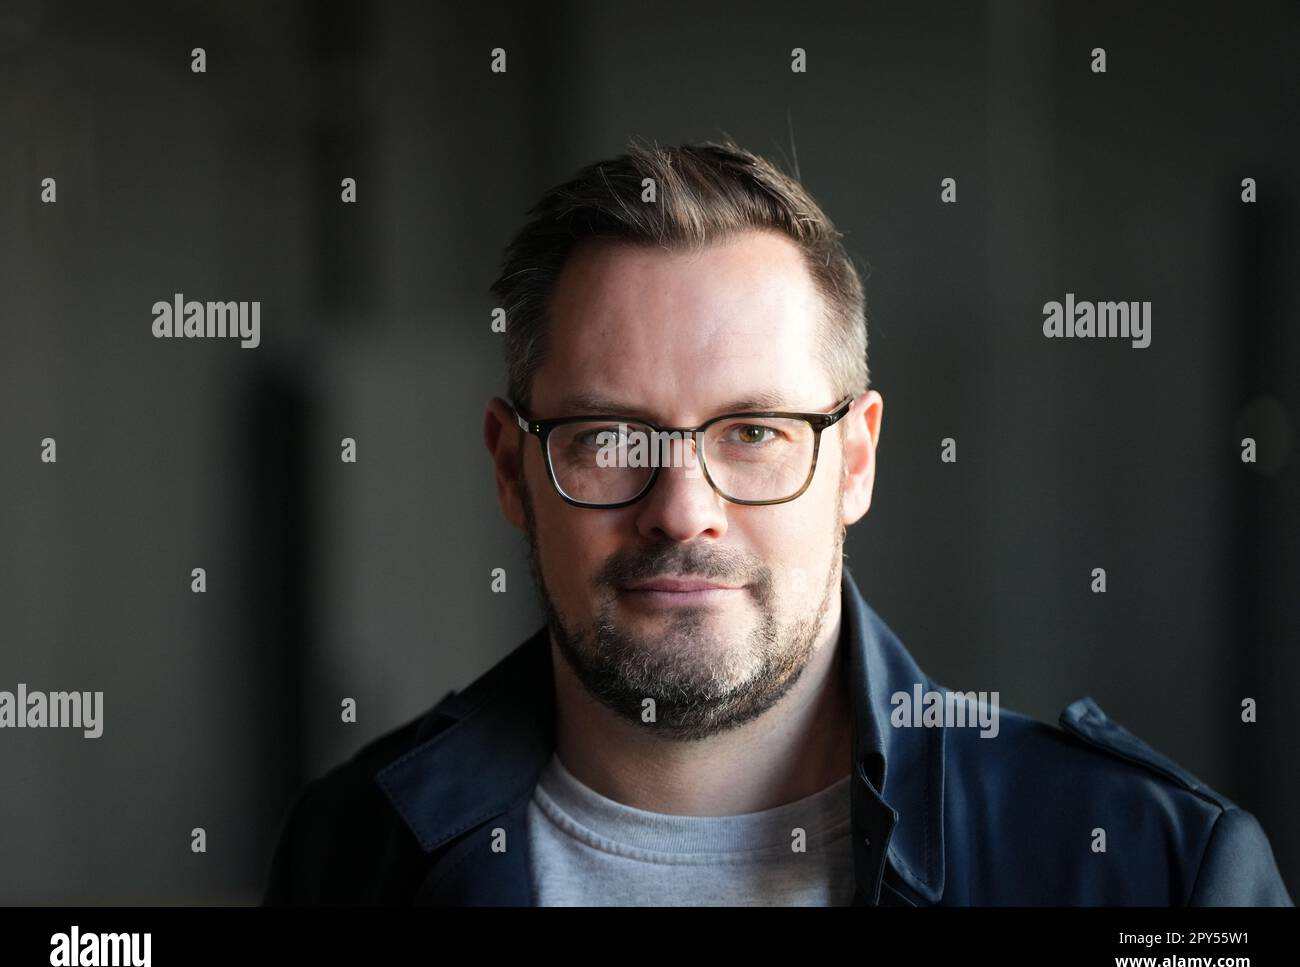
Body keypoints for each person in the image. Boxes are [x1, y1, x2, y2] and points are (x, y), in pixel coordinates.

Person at [263, 139, 1292, 906]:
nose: (682, 510)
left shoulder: (1150, 870)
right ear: (510, 467)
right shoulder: (353, 854)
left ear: (855, 461)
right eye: (609, 436)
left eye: (754, 431)